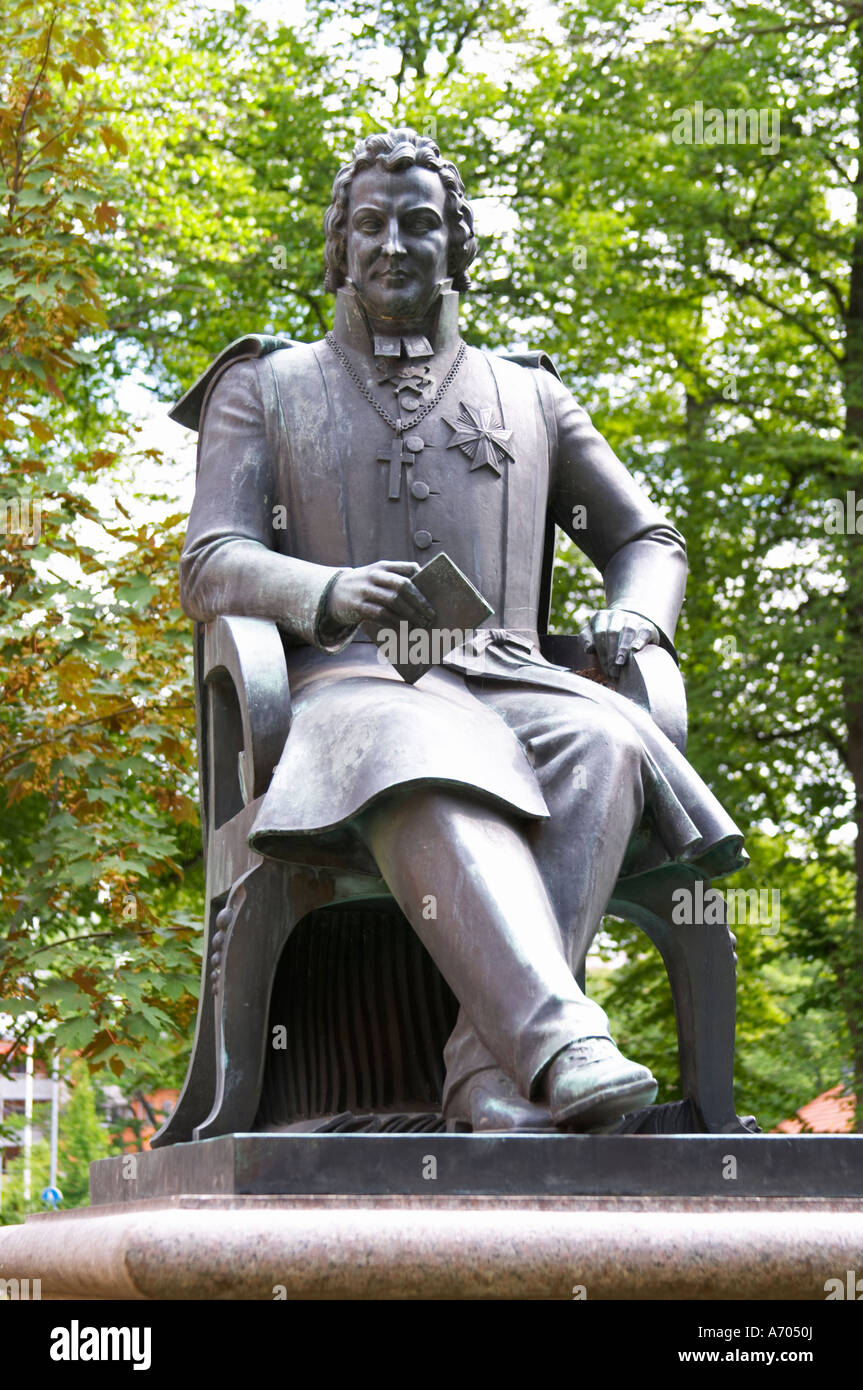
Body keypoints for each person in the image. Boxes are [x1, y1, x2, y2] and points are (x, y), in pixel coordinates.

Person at [178, 128, 746, 1133]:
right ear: (337, 248)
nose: (392, 244)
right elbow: (212, 559)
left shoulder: (530, 394)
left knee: (607, 738)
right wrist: (328, 589)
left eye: (419, 223)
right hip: (352, 690)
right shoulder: (263, 386)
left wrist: (631, 616)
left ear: (458, 247)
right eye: (368, 225)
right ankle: (562, 1041)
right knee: (416, 736)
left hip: (513, 681)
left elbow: (644, 537)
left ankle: (487, 1081)